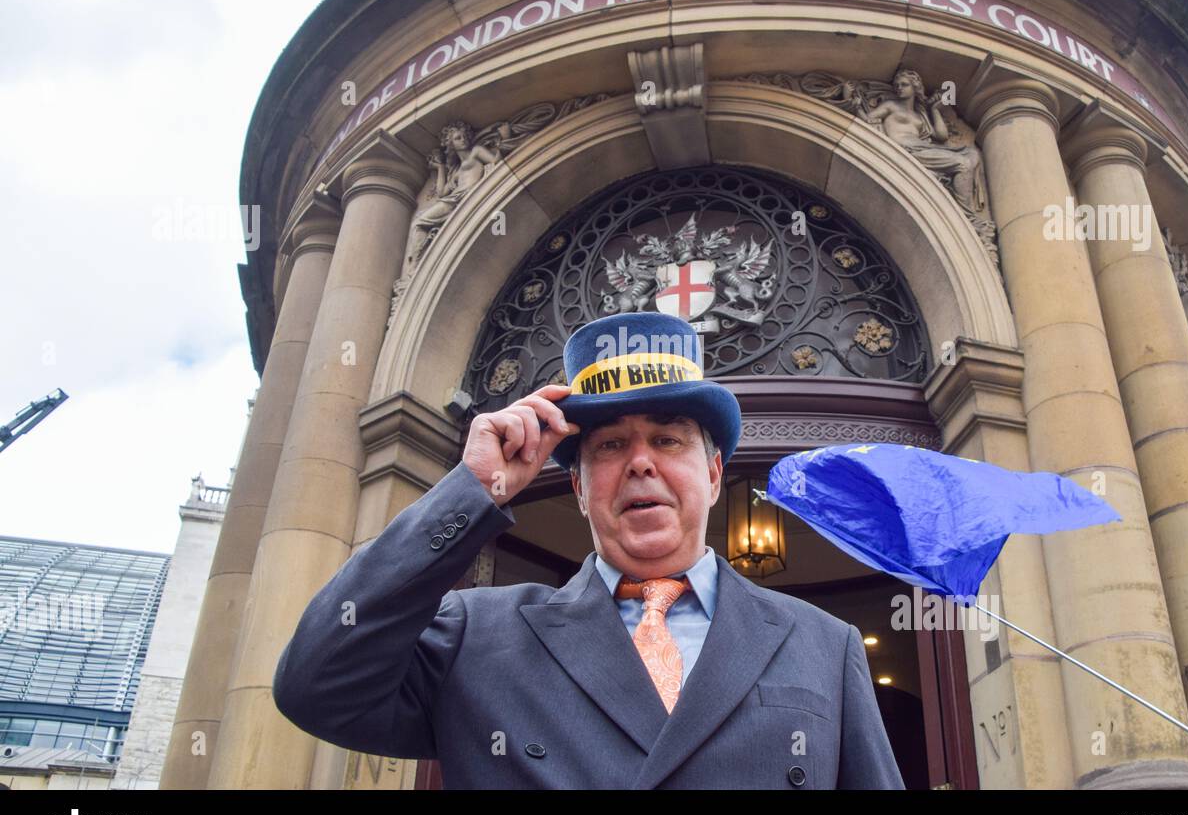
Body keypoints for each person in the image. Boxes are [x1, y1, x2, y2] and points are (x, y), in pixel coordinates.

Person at [272, 310, 904, 789]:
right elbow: (316, 685)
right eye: (608, 446)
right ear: (577, 486)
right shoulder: (477, 635)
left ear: (714, 475)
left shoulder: (824, 644)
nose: (639, 465)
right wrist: (470, 492)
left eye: (668, 440)